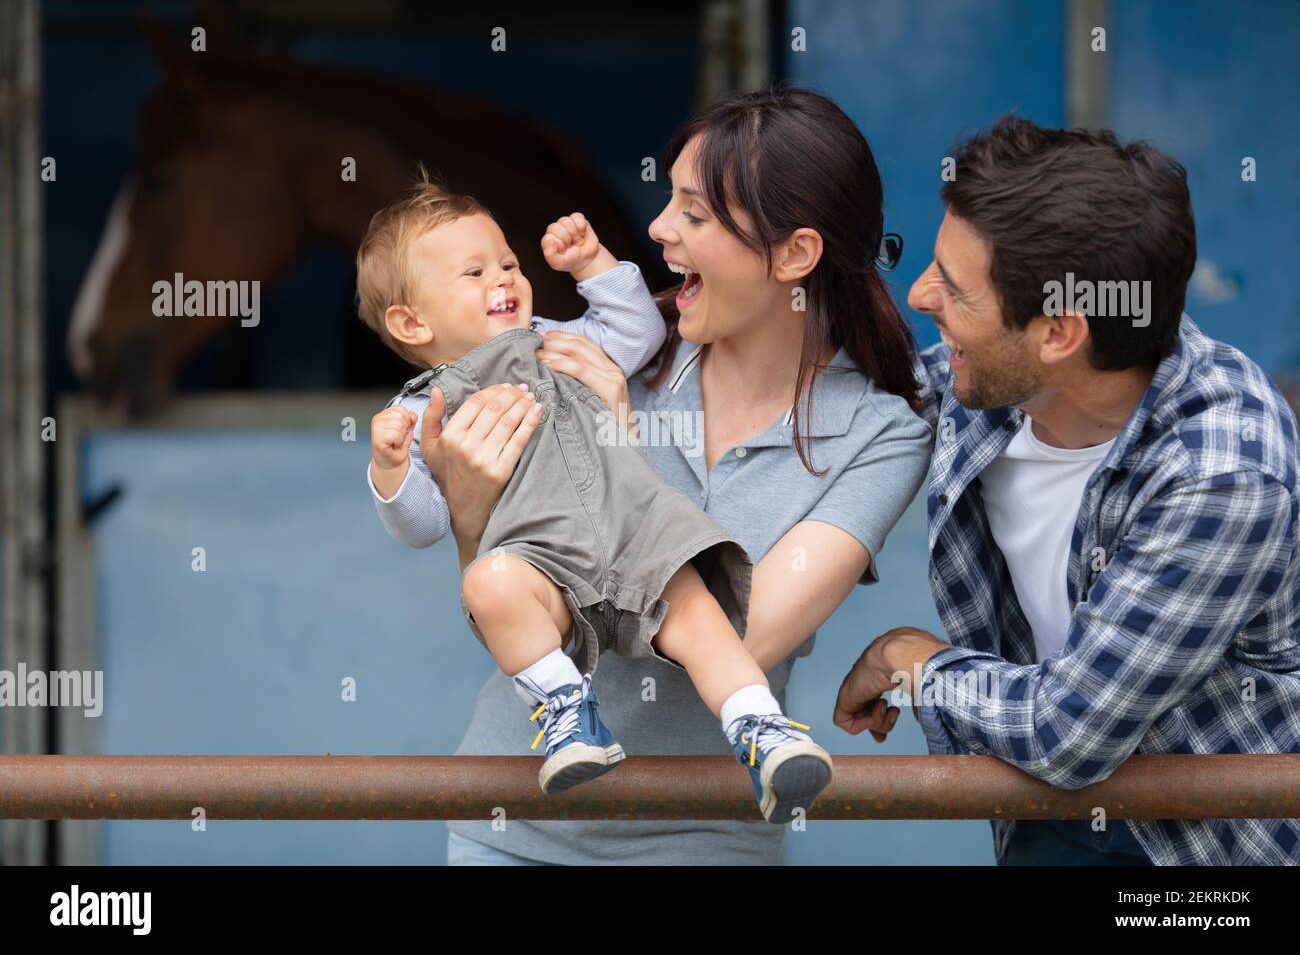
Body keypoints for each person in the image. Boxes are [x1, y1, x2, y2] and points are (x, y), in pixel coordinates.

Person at [423, 86, 932, 864]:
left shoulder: (881, 432)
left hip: (703, 838)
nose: (656, 228)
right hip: (509, 825)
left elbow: (741, 639)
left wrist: (614, 447)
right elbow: (515, 607)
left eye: (694, 214)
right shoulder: (616, 347)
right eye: (670, 202)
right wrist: (468, 513)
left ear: (795, 255)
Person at [835, 116, 1300, 866]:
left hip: (1200, 848)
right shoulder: (992, 379)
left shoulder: (1223, 472)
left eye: (954, 287)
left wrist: (912, 659)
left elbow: (1068, 731)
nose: (920, 295)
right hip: (1043, 807)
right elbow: (840, 402)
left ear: (1060, 333)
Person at [360, 172, 834, 819]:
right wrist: (391, 471)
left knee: (697, 618)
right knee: (488, 586)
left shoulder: (560, 340)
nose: (504, 279)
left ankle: (761, 730)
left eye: (508, 263)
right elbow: (421, 526)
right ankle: (566, 711)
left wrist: (594, 265)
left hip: (635, 528)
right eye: (473, 274)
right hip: (539, 562)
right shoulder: (421, 413)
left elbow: (636, 330)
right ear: (411, 321)